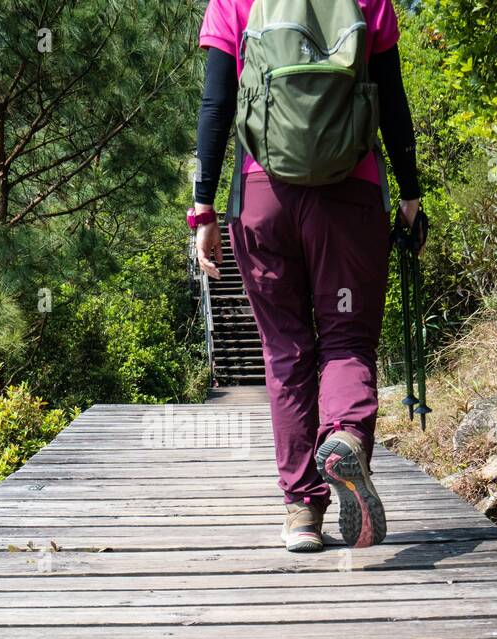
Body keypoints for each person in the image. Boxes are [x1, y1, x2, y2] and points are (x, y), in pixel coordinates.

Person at [191, 0, 424, 553]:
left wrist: (202, 209)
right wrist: (411, 195)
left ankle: (302, 511)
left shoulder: (235, 2)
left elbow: (216, 105)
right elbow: (391, 101)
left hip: (264, 195)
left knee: (286, 350)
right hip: (351, 192)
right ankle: (343, 433)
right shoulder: (369, 1)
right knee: (346, 338)